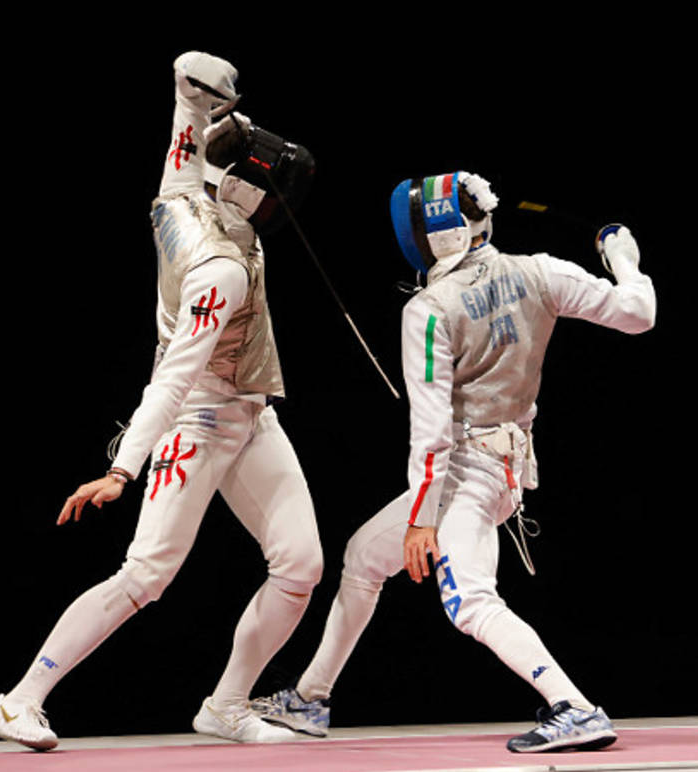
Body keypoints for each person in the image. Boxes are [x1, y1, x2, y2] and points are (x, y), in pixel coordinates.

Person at [0, 51, 322, 751]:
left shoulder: (181, 194)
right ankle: (19, 699)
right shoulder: (220, 269)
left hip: (252, 413)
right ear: (249, 191)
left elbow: (186, 118)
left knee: (300, 564)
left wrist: (201, 93)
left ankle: (226, 705)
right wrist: (122, 469)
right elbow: (173, 376)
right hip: (197, 418)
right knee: (147, 575)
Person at [253, 171, 656, 752]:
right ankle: (310, 700)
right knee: (366, 555)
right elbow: (638, 311)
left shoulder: (430, 308)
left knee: (468, 599)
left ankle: (574, 706)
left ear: (435, 235)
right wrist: (622, 257)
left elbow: (432, 429)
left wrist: (421, 517)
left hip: (468, 472)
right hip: (507, 466)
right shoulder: (541, 270)